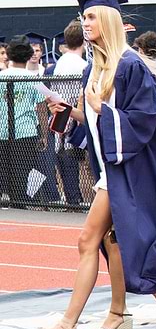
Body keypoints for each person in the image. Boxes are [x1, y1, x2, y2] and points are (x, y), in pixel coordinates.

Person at [25, 0, 156, 329]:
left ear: (108, 21)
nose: (84, 23)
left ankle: (67, 327)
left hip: (131, 171)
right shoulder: (95, 66)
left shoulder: (130, 65)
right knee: (117, 241)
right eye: (83, 18)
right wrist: (72, 114)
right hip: (110, 167)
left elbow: (145, 120)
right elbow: (96, 117)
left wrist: (102, 111)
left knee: (92, 239)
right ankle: (135, 312)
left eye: (90, 17)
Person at [0, 36, 48, 209]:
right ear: (28, 55)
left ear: (10, 55)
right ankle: (20, 204)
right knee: (22, 172)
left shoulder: (1, 77)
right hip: (26, 131)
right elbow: (42, 107)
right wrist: (43, 134)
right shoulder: (34, 79)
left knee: (4, 171)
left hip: (2, 130)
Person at [50, 21, 89, 207]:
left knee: (65, 157)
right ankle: (76, 198)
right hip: (73, 116)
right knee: (76, 160)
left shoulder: (61, 62)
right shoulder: (82, 65)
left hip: (62, 114)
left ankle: (72, 197)